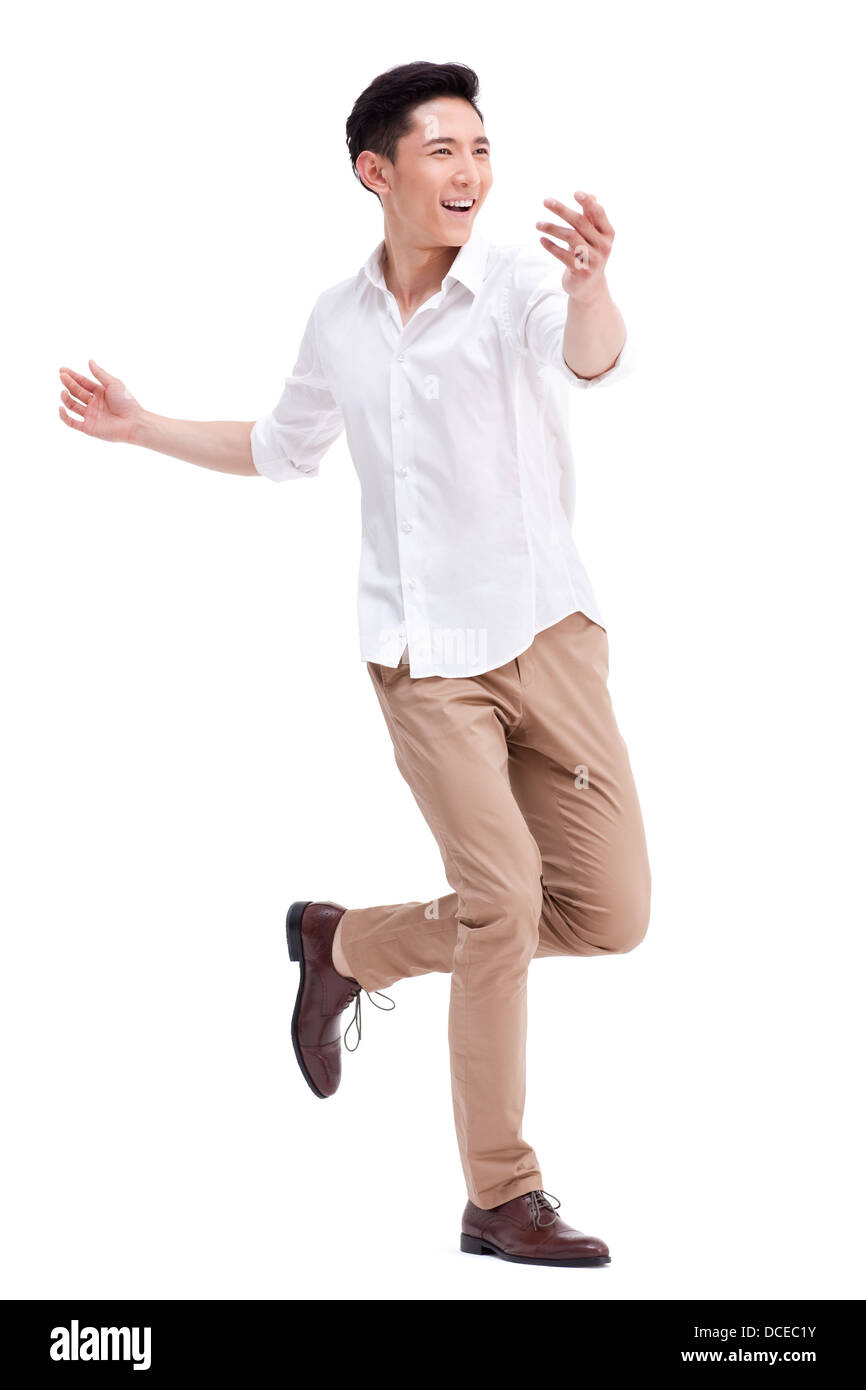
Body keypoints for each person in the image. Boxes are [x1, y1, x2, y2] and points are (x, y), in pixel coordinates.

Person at [57, 60, 651, 1269]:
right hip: (422, 662)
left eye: (481, 149)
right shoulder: (337, 317)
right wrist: (142, 424)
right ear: (375, 171)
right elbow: (282, 451)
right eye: (444, 151)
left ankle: (340, 944)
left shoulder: (524, 283)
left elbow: (591, 361)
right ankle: (500, 1195)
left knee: (609, 915)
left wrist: (594, 286)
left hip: (551, 639)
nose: (471, 173)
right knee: (501, 910)